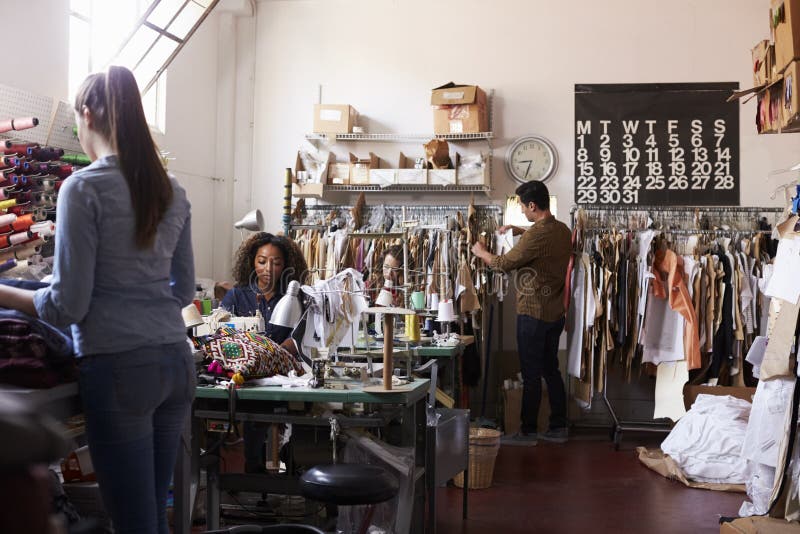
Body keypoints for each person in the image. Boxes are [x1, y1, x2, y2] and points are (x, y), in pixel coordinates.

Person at [0, 66, 195, 532]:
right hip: (175, 362)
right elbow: (183, 290)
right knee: (152, 518)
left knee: (134, 525)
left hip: (121, 368)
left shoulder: (83, 187)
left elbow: (66, 306)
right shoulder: (170, 189)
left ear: (86, 115)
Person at [472, 180, 571, 445]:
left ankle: (527, 432)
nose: (522, 212)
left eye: (523, 208)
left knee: (530, 374)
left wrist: (481, 252)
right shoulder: (562, 230)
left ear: (533, 205)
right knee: (551, 370)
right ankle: (558, 426)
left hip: (533, 312)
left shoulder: (536, 235)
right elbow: (542, 239)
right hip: (555, 312)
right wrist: (518, 229)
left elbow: (503, 264)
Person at [221, 231, 308, 473]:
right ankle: (253, 466)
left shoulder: (294, 297)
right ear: (252, 261)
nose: (268, 268)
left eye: (276, 262)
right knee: (254, 409)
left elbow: (301, 333)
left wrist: (275, 352)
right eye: (262, 261)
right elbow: (222, 331)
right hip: (250, 372)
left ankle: (292, 462)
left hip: (285, 372)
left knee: (301, 411)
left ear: (286, 265)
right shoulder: (237, 295)